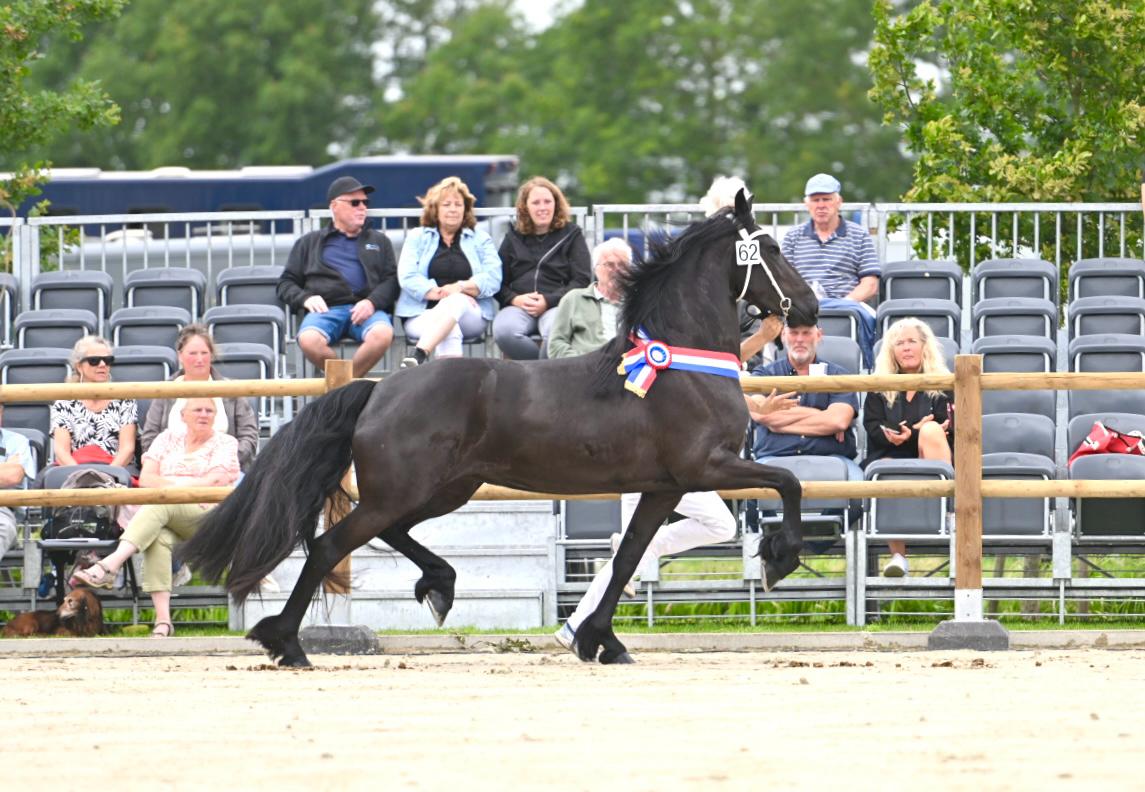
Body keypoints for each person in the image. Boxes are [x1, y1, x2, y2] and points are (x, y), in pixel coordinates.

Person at [552, 238, 795, 649]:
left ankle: (582, 619)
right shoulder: (658, 320)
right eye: (608, 264)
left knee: (712, 527)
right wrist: (761, 339)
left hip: (660, 441)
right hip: (646, 446)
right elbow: (703, 368)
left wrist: (749, 399)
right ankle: (578, 624)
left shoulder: (680, 317)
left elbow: (704, 375)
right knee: (666, 538)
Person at [71, 398, 240, 637]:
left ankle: (111, 563)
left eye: (209, 410)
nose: (204, 415)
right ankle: (163, 622)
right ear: (183, 414)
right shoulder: (165, 439)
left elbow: (214, 481)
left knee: (159, 504)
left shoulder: (225, 442)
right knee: (158, 537)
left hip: (208, 517)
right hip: (167, 515)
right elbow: (148, 479)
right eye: (198, 410)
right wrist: (185, 485)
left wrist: (168, 487)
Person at [277, 175, 399, 378]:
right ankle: (346, 386)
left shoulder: (379, 241)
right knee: (308, 340)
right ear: (334, 206)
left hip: (366, 310)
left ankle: (343, 385)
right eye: (355, 202)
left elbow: (392, 281)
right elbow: (285, 283)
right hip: (326, 310)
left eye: (365, 202)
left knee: (383, 334)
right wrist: (306, 298)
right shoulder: (309, 242)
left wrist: (371, 302)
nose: (362, 207)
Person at [861, 317, 953, 577]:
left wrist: (915, 432)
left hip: (933, 455)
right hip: (889, 454)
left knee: (931, 430)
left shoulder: (945, 383)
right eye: (899, 343)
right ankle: (898, 557)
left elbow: (950, 423)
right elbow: (872, 424)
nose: (906, 348)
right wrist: (889, 436)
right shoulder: (879, 385)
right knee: (887, 467)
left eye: (912, 341)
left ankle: (941, 511)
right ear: (892, 351)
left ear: (925, 346)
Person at [395, 176, 502, 367]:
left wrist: (460, 287)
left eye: (458, 204)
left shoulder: (481, 238)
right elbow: (407, 275)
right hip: (421, 315)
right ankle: (451, 391)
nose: (453, 209)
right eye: (446, 204)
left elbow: (493, 278)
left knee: (457, 300)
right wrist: (439, 292)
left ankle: (419, 353)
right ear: (436, 209)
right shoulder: (417, 237)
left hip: (471, 314)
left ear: (465, 209)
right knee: (449, 327)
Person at [781, 173, 880, 368]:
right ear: (806, 204)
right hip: (803, 306)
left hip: (848, 304)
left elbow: (870, 283)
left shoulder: (859, 235)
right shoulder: (792, 237)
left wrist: (842, 304)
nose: (821, 205)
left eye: (827, 199)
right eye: (815, 200)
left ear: (839, 202)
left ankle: (866, 369)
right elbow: (783, 281)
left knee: (869, 319)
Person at [493, 176, 591, 360]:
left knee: (556, 334)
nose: (542, 207)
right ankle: (539, 371)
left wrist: (548, 300)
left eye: (547, 201)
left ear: (556, 204)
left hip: (558, 305)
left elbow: (582, 280)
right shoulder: (513, 237)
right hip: (519, 306)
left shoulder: (572, 234)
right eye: (536, 202)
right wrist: (515, 299)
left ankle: (538, 378)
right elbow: (497, 281)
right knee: (504, 331)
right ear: (525, 207)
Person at [751, 321, 864, 479]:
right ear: (783, 335)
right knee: (752, 491)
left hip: (833, 460)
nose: (799, 339)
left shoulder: (839, 376)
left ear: (818, 335)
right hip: (773, 460)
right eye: (794, 333)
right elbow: (760, 413)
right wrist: (822, 415)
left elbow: (838, 421)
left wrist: (776, 424)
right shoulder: (764, 375)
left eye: (806, 333)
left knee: (858, 488)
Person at [140, 324, 259, 471]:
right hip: (172, 471)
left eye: (204, 353)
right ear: (180, 356)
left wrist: (224, 461)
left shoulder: (232, 390)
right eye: (193, 353)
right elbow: (149, 437)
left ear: (211, 355)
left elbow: (249, 437)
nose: (199, 359)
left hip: (224, 469)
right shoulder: (164, 391)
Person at [51, 335, 137, 469]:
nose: (102, 365)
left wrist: (107, 476)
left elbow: (127, 449)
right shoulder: (64, 402)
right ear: (79, 366)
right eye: (94, 361)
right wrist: (81, 476)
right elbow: (61, 452)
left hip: (116, 471)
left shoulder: (124, 399)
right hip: (74, 471)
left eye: (108, 360)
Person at [0, 405, 37, 558]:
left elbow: (12, 476)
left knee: (2, 527)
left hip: (2, 509)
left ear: (1, 412)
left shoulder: (16, 441)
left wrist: (8, 470)